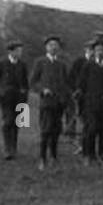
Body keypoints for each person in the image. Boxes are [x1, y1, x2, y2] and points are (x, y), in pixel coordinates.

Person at [30, 35, 70, 170]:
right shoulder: (40, 62)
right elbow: (33, 82)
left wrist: (66, 98)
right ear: (46, 47)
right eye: (51, 45)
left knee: (56, 131)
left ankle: (54, 156)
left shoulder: (62, 64)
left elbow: (66, 83)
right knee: (46, 130)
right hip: (46, 102)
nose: (54, 47)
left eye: (56, 45)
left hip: (59, 103)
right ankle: (42, 158)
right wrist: (43, 89)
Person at [77, 38, 103, 164]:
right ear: (94, 51)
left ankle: (101, 154)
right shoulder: (88, 65)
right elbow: (81, 83)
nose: (100, 52)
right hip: (91, 104)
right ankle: (88, 154)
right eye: (97, 50)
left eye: (102, 50)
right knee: (91, 129)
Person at [0, 40, 29, 160]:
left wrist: (24, 95)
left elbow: (25, 83)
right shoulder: (2, 63)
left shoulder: (23, 64)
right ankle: (7, 149)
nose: (20, 53)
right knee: (8, 122)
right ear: (10, 51)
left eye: (21, 51)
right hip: (6, 99)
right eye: (17, 50)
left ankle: (14, 148)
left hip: (19, 99)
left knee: (17, 123)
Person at [68, 39, 93, 155]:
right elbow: (71, 78)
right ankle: (83, 145)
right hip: (81, 97)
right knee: (84, 121)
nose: (92, 51)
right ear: (86, 50)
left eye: (93, 49)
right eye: (90, 49)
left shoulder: (97, 62)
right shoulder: (79, 62)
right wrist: (75, 91)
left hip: (93, 96)